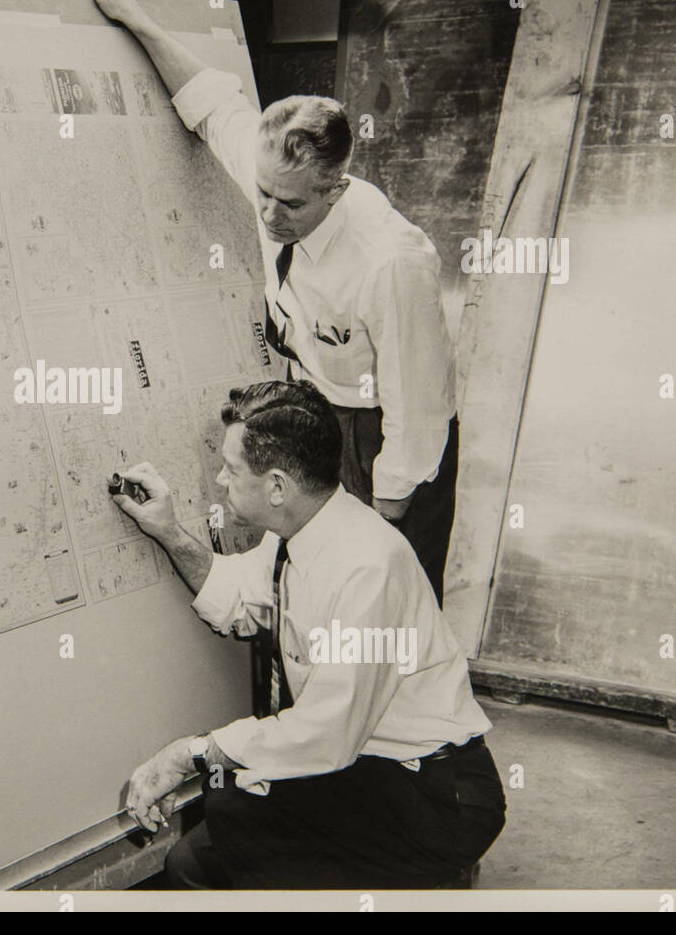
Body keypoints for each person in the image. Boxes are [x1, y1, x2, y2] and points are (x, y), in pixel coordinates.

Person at [85, 0, 458, 603]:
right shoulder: (272, 174)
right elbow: (208, 102)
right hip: (318, 414)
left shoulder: (390, 263)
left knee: (379, 602)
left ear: (334, 188)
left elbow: (417, 418)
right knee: (307, 587)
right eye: (261, 192)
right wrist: (133, 15)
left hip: (385, 437)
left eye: (288, 203)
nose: (269, 215)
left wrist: (379, 523)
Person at [112, 379, 504, 889]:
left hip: (435, 794)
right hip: (367, 767)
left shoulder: (368, 567)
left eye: (231, 470)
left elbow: (328, 733)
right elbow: (232, 599)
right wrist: (166, 530)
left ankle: (430, 878)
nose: (219, 479)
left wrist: (189, 754)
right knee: (201, 853)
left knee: (232, 824)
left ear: (277, 486)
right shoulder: (301, 533)